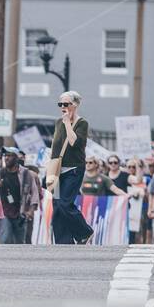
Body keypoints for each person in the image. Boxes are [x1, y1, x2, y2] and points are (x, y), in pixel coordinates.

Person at [45, 90, 93, 244]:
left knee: (65, 203)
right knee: (57, 206)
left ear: (76, 105)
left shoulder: (82, 123)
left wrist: (67, 123)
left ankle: (85, 232)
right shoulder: (58, 122)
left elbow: (74, 142)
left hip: (73, 169)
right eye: (60, 104)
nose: (63, 107)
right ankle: (63, 242)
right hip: (57, 170)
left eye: (66, 104)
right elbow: (55, 144)